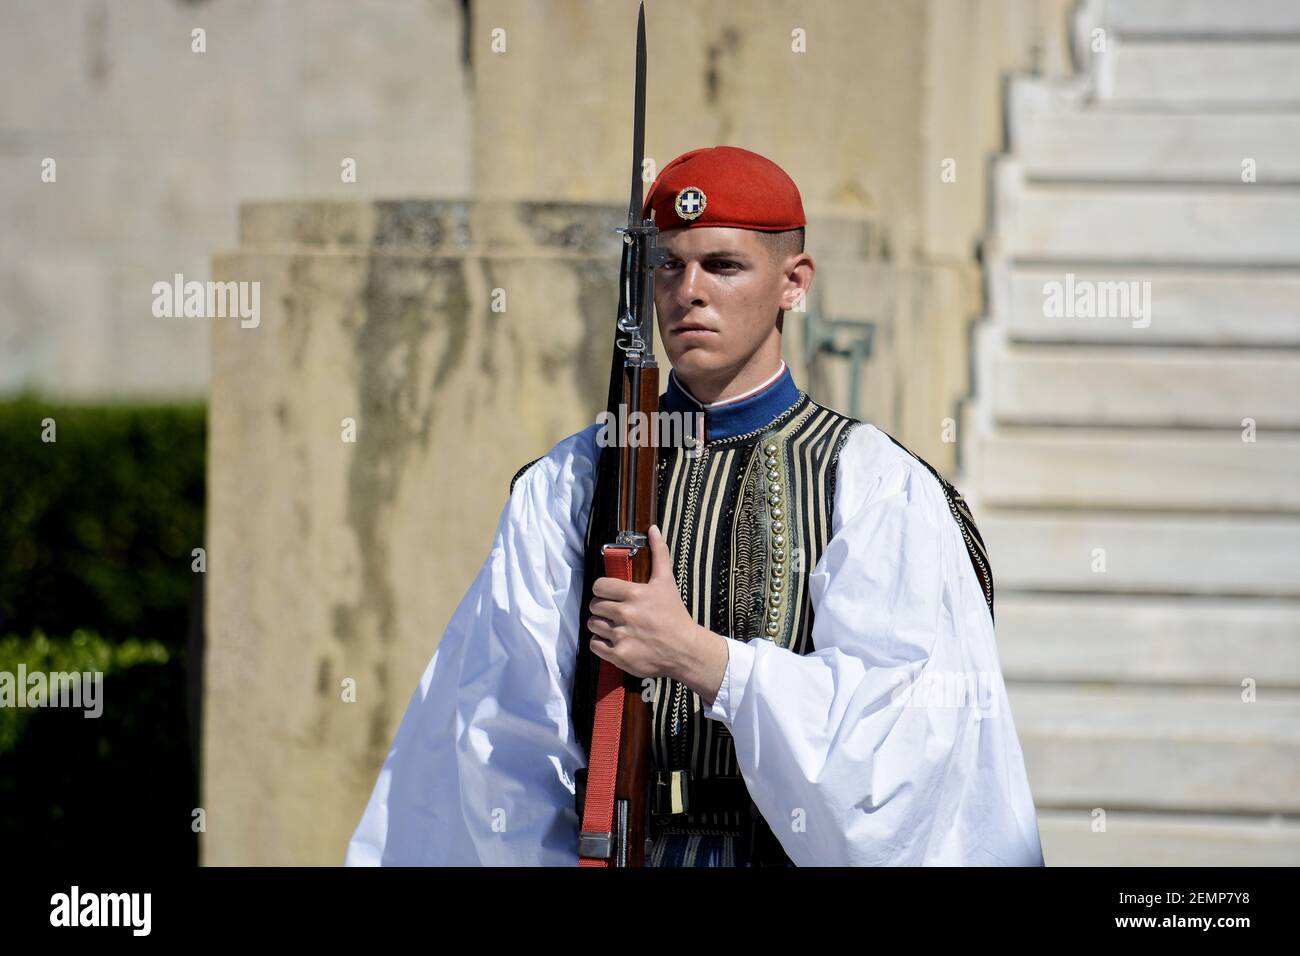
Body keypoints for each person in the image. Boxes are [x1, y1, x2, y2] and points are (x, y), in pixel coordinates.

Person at [345, 145, 1045, 867]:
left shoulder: (870, 485)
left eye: (723, 265)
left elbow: (900, 753)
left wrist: (705, 661)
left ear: (793, 283)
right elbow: (501, 743)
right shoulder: (573, 482)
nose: (689, 291)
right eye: (670, 265)